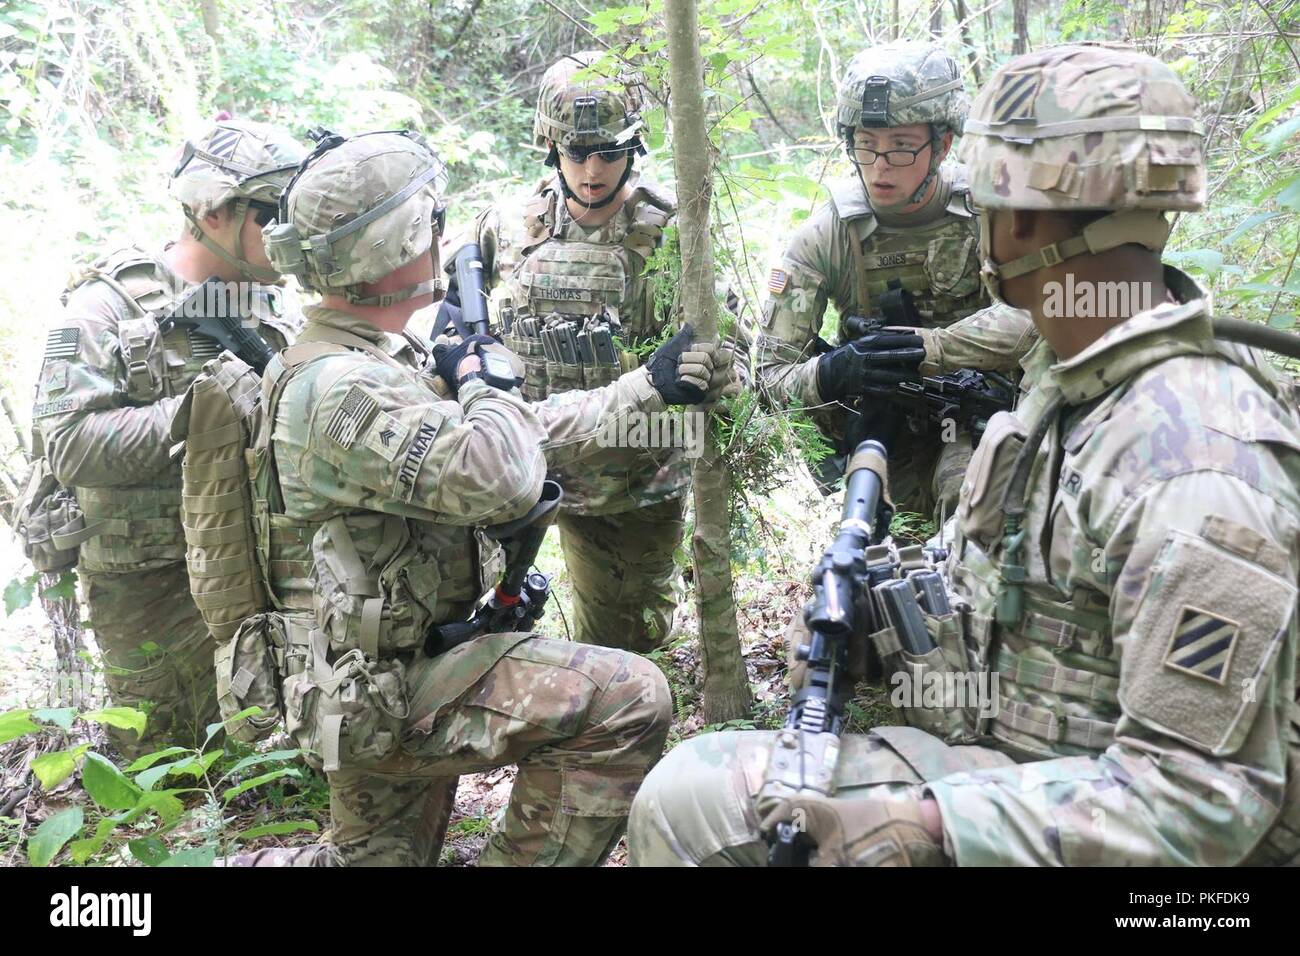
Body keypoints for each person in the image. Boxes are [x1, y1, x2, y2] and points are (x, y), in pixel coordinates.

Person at [627, 44, 1300, 867]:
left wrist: (935, 823)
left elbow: (1205, 800)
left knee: (687, 801)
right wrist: (873, 625)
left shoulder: (1195, 456)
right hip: (1040, 764)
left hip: (1122, 837)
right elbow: (1016, 611)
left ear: (1009, 220)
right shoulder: (1078, 384)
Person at [239, 129, 733, 866]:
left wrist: (643, 390)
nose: (441, 238)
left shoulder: (374, 356)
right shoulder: (340, 386)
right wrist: (481, 377)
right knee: (630, 697)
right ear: (394, 245)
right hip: (380, 690)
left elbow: (517, 435)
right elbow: (497, 467)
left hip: (389, 666)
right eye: (430, 224)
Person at [34, 119, 305, 757]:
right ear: (214, 212)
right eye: (273, 212)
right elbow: (68, 445)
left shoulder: (271, 303)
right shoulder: (107, 310)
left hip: (261, 569)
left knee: (284, 759)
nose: (290, 231)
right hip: (154, 582)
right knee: (172, 768)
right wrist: (198, 412)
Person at [447, 50, 699, 653]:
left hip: (629, 478)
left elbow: (725, 349)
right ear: (551, 147)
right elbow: (450, 315)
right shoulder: (507, 223)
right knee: (457, 629)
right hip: (516, 464)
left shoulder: (670, 232)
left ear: (633, 150)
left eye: (609, 153)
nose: (592, 169)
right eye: (576, 152)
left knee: (626, 650)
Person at [751, 40, 1034, 517]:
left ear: (942, 146)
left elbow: (1044, 315)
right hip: (889, 433)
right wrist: (836, 369)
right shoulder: (828, 238)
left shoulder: (991, 213)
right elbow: (769, 379)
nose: (879, 168)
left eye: (901, 149)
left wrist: (939, 349)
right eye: (865, 146)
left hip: (987, 419)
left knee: (969, 499)